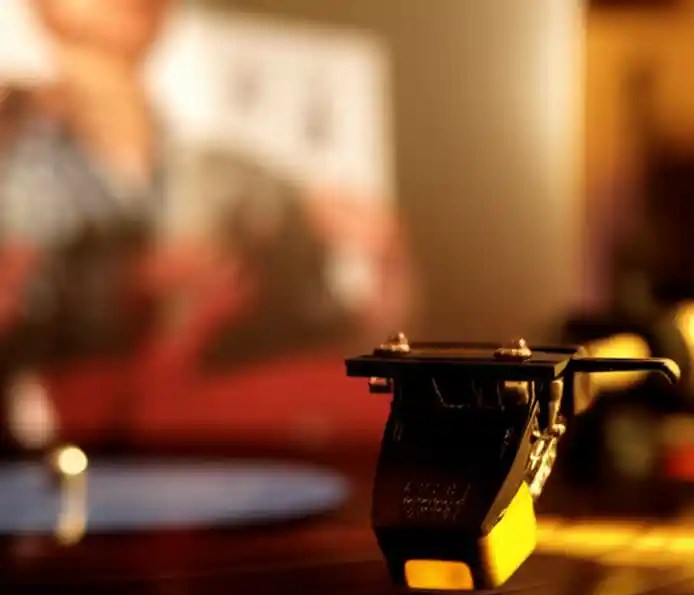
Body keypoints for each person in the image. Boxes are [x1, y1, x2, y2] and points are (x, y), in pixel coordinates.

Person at [0, 0, 405, 452]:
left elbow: (341, 335)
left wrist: (385, 264)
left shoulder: (239, 180)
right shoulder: (12, 154)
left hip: (224, 462)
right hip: (45, 467)